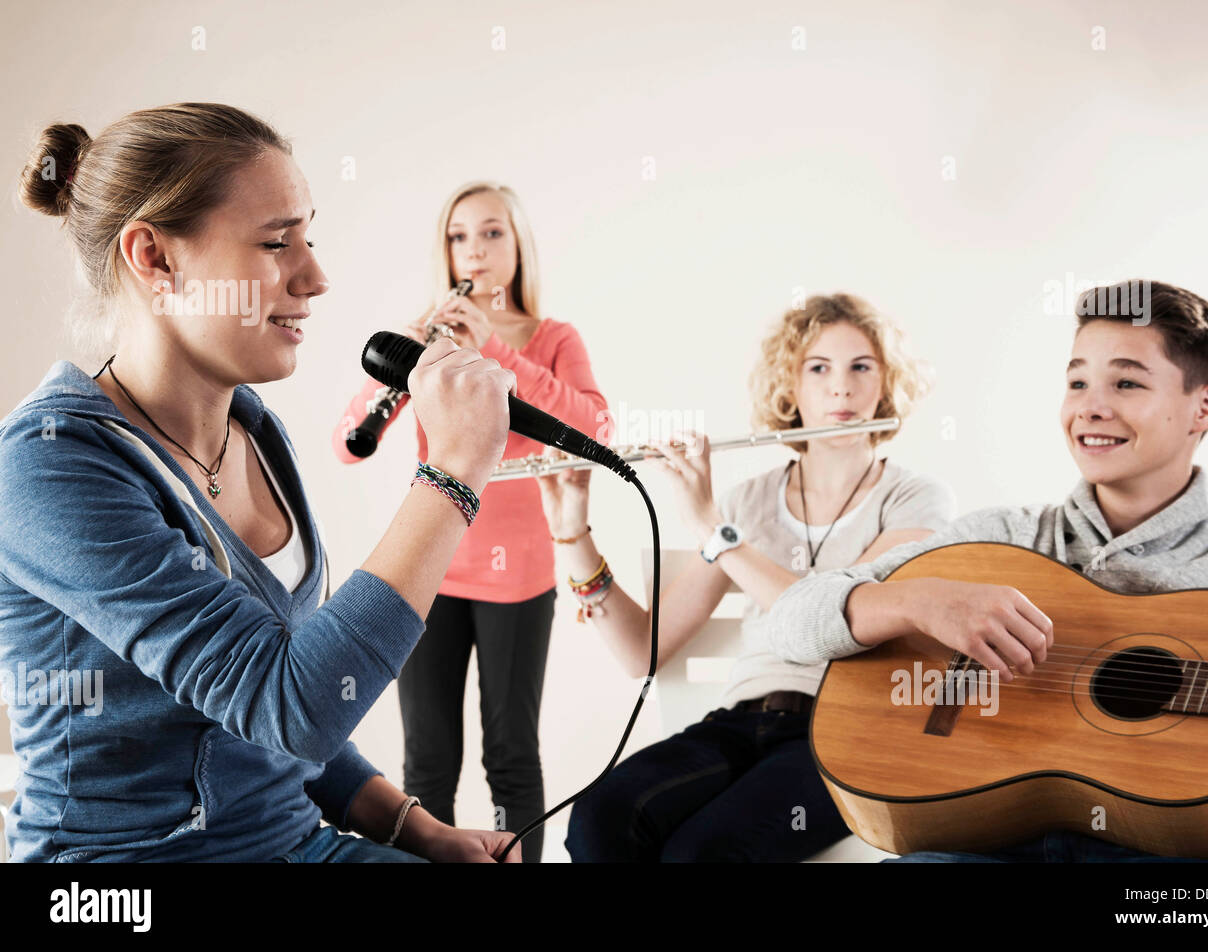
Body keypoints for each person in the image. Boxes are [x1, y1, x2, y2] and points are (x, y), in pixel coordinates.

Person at [0, 103, 521, 863]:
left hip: (291, 843)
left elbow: (269, 713)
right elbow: (289, 703)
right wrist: (450, 478)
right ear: (154, 257)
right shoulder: (49, 466)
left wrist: (418, 830)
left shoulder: (256, 431)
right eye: (277, 242)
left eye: (308, 238)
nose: (314, 277)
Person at [760, 279, 1208, 863]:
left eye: (1126, 382)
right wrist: (917, 602)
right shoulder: (1003, 537)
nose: (1091, 406)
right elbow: (788, 622)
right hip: (979, 843)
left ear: (1207, 406)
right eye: (1077, 383)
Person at [541, 293, 956, 861]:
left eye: (862, 366)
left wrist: (715, 530)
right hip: (742, 723)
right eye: (819, 368)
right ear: (791, 387)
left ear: (886, 384)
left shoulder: (914, 499)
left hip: (848, 737)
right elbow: (642, 650)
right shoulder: (748, 501)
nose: (842, 388)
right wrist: (573, 534)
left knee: (700, 854)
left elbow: (834, 620)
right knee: (600, 819)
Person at [332, 182, 608, 863]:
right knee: (427, 763)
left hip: (520, 575)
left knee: (511, 755)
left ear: (519, 245)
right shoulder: (432, 341)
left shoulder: (552, 338)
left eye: (491, 234)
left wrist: (499, 352)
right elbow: (347, 443)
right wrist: (406, 350)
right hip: (430, 572)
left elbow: (594, 427)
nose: (475, 251)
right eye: (460, 236)